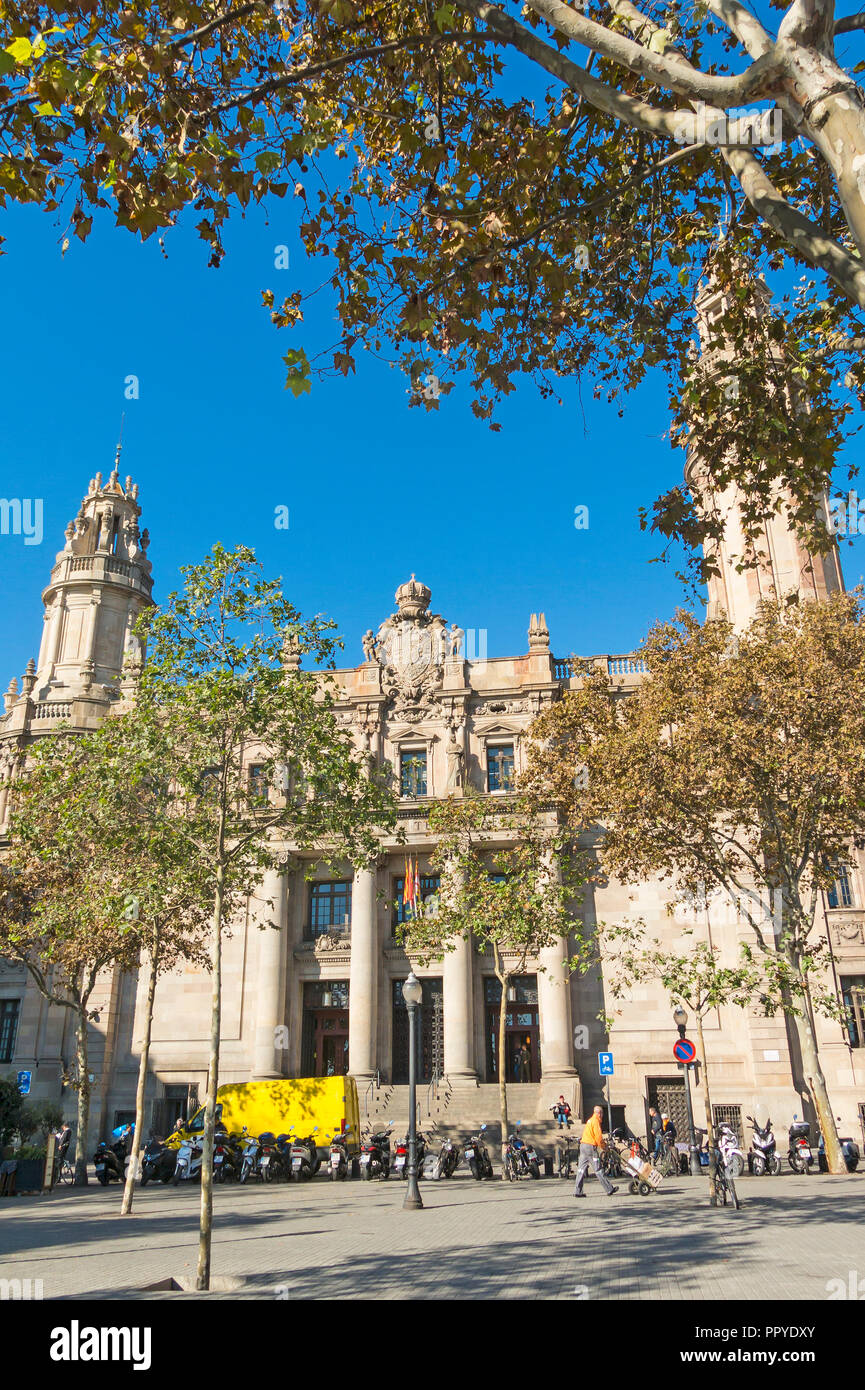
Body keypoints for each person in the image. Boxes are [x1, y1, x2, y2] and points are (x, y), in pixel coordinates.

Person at [573, 1106, 619, 1198]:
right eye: (602, 1114)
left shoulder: (589, 1120)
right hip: (590, 1148)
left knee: (581, 1169)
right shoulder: (596, 1121)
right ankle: (609, 1189)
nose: (602, 1116)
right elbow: (598, 1137)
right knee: (598, 1169)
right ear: (600, 1113)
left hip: (583, 1146)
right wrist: (604, 1147)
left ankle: (578, 1191)